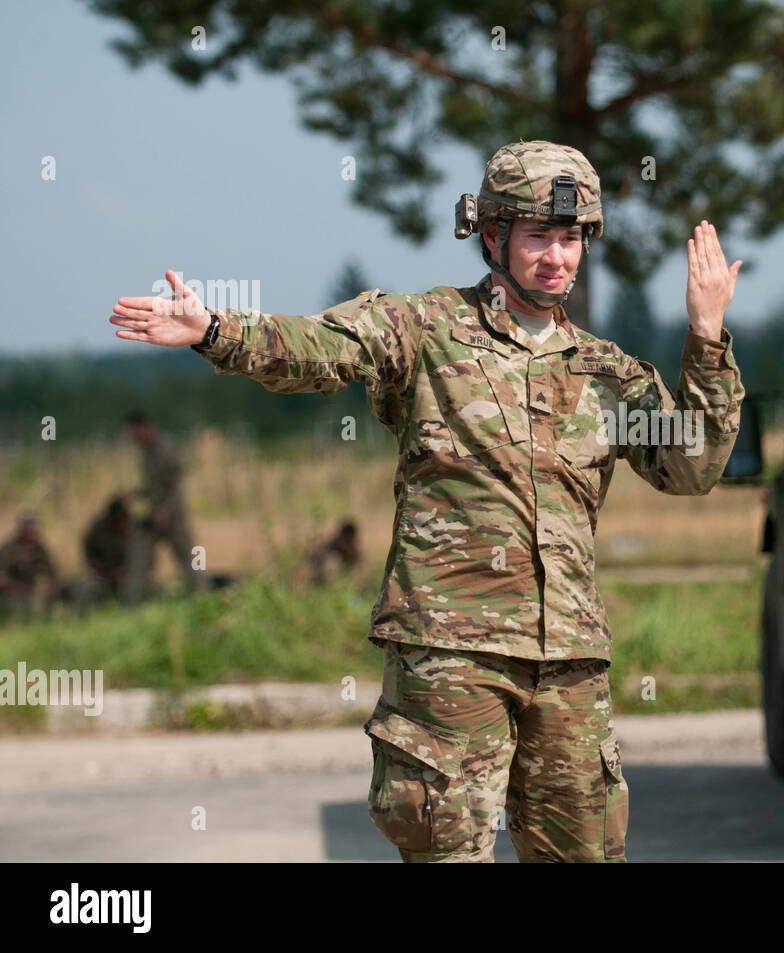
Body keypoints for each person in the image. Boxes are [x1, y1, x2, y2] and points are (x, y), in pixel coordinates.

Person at [109, 139, 745, 863]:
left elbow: (691, 467)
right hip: (450, 658)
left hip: (567, 665)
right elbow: (320, 348)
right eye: (539, 235)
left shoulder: (606, 370)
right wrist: (219, 331)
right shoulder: (425, 331)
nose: (557, 257)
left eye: (570, 239)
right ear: (493, 237)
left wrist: (705, 335)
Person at [121, 411, 207, 601]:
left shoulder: (166, 449)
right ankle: (132, 600)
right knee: (139, 558)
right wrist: (136, 494)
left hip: (173, 515)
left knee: (189, 557)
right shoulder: (145, 453)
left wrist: (166, 510)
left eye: (133, 434)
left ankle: (204, 594)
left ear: (143, 428)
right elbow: (154, 487)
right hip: (152, 514)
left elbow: (177, 485)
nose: (132, 439)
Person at [0, 512, 59, 618]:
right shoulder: (8, 549)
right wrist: (21, 588)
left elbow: (52, 572)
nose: (34, 530)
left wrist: (50, 588)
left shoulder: (39, 549)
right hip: (12, 594)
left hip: (31, 593)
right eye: (30, 526)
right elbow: (3, 580)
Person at [83, 496, 134, 599]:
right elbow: (90, 556)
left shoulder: (131, 529)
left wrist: (123, 572)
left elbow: (137, 557)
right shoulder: (98, 531)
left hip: (126, 574)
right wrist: (106, 573)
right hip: (103, 575)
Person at [308, 519, 361, 586]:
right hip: (323, 580)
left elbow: (359, 568)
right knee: (332, 561)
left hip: (344, 583)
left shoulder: (353, 551)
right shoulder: (330, 546)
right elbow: (312, 564)